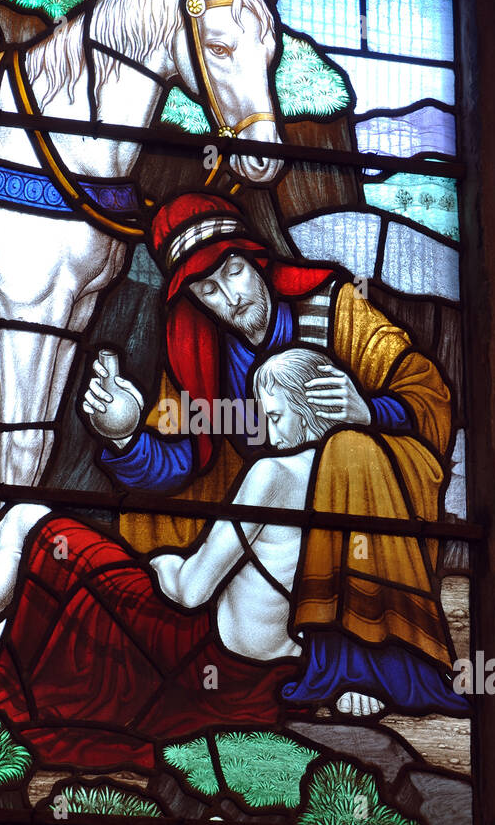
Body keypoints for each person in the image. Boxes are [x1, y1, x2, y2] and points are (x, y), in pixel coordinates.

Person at [83, 192, 466, 717]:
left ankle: (367, 655)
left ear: (255, 260)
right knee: (165, 516)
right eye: (208, 288)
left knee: (348, 451)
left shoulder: (335, 310)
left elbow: (429, 396)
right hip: (273, 529)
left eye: (233, 272)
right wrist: (124, 434)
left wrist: (369, 411)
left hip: (371, 506)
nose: (230, 297)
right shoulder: (203, 357)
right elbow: (182, 460)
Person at [0, 349, 338, 772]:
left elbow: (191, 592)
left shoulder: (274, 474)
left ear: (307, 412)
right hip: (257, 682)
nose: (269, 432)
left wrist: (163, 565)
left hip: (190, 655)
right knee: (38, 604)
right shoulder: (358, 484)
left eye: (276, 416)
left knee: (26, 521)